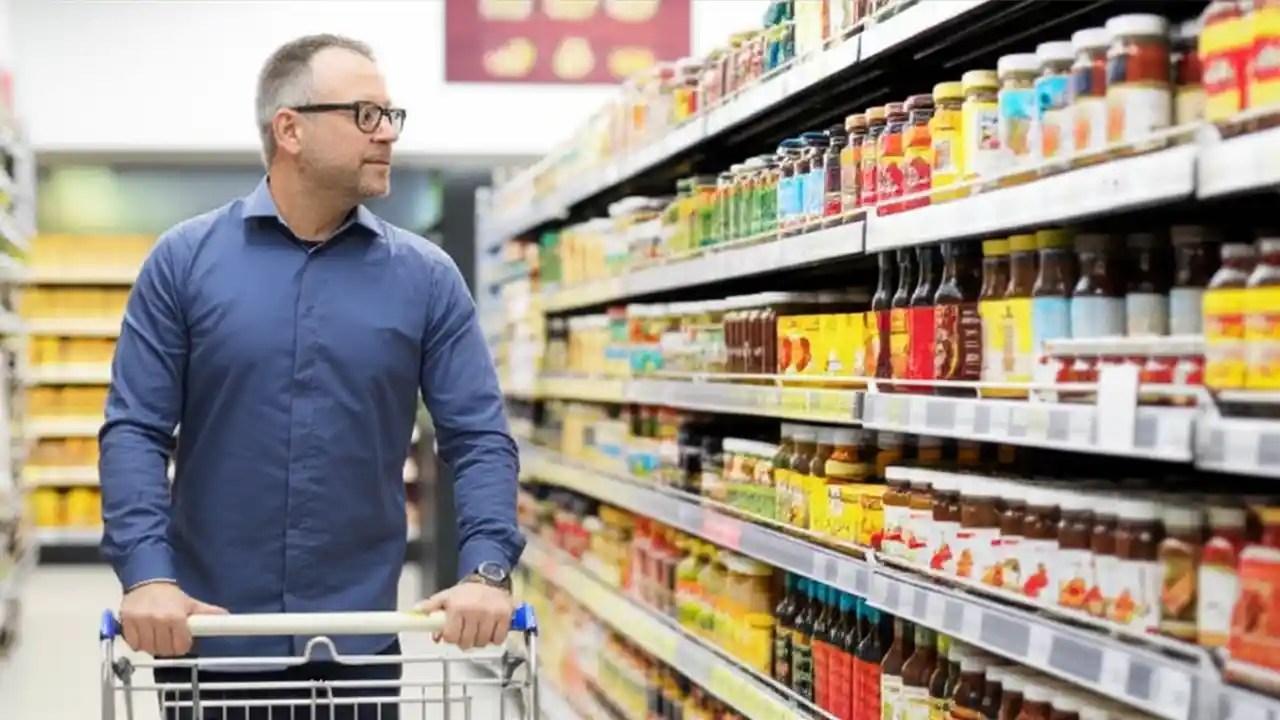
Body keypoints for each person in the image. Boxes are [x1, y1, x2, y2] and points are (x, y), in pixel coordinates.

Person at [98, 33, 524, 719]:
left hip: (358, 649)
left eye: (391, 115)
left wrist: (487, 569)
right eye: (364, 115)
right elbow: (135, 432)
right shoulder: (183, 261)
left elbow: (478, 437)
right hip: (210, 638)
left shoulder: (426, 278)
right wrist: (148, 577)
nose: (387, 133)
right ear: (289, 128)